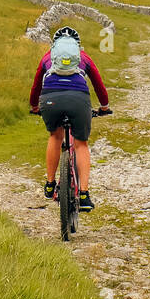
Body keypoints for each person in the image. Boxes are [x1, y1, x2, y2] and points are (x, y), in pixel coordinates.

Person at [29, 26, 110, 211]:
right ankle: (84, 195)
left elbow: (36, 86)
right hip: (78, 99)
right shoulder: (84, 57)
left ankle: (50, 184)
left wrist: (35, 106)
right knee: (81, 143)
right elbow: (98, 85)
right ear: (77, 45)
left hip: (50, 98)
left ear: (55, 44)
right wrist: (104, 107)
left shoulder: (48, 57)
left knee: (55, 137)